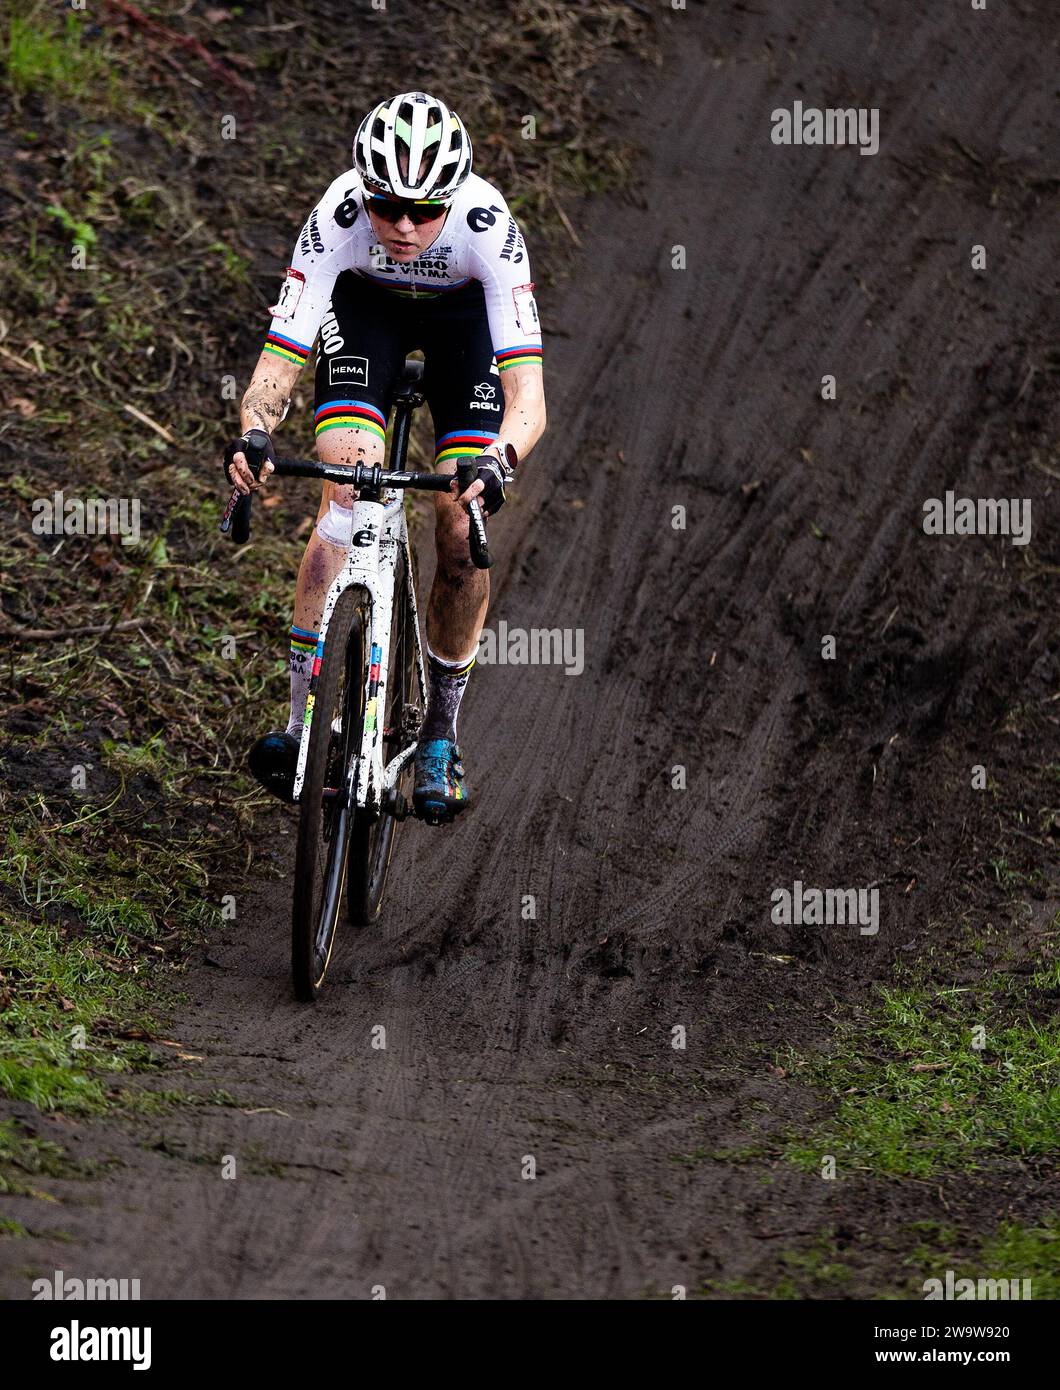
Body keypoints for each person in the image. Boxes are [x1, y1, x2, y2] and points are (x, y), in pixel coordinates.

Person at [223, 92, 546, 824]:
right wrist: (253, 431)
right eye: (386, 205)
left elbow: (529, 398)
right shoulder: (338, 216)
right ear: (362, 190)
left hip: (466, 331)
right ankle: (306, 729)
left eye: (425, 210)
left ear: (453, 199)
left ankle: (438, 737)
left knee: (459, 531)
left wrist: (499, 461)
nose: (403, 225)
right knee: (345, 489)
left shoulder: (489, 228)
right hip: (367, 316)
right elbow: (281, 361)